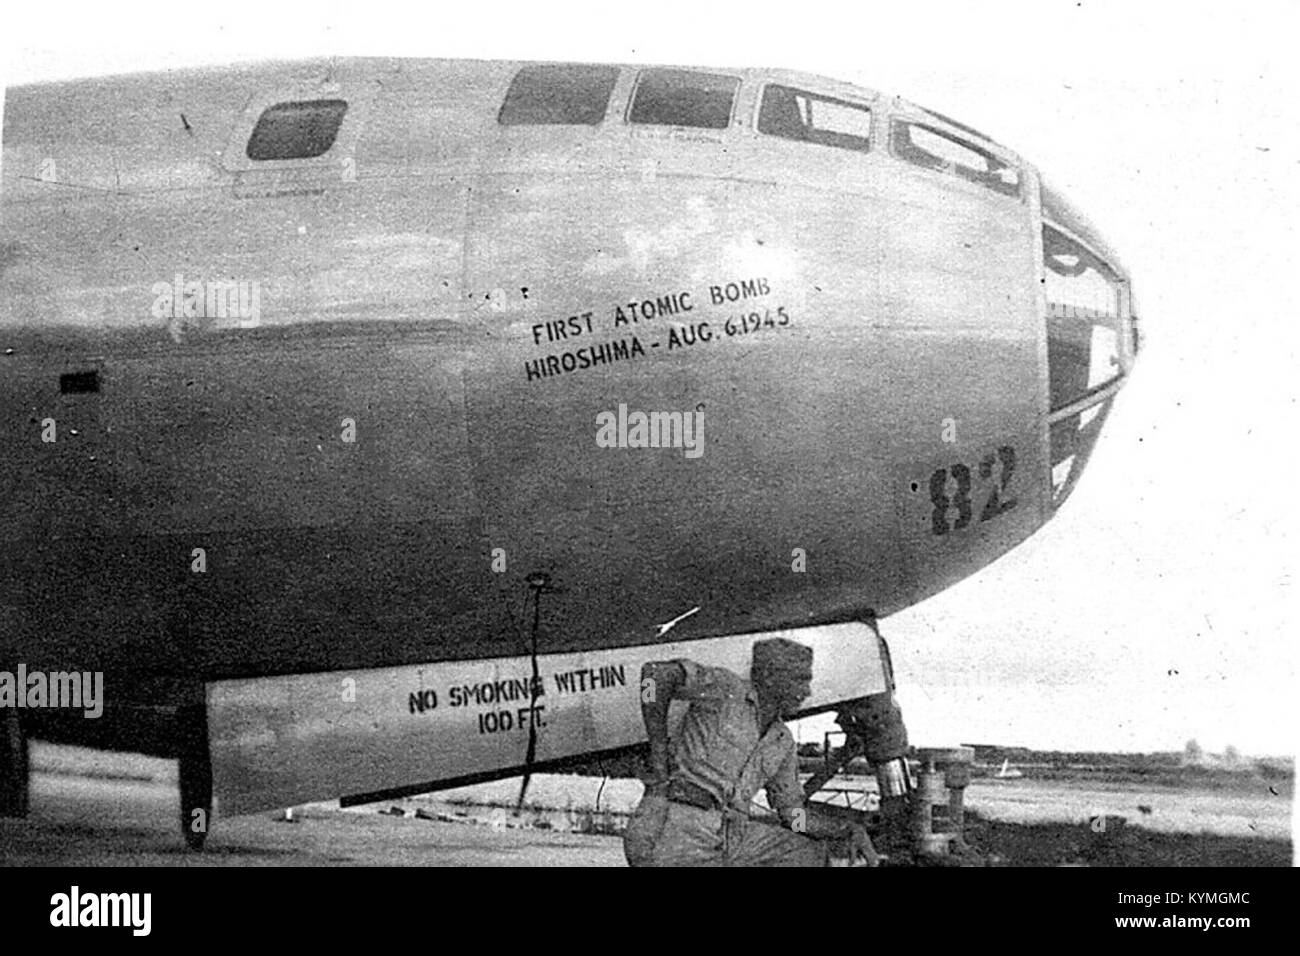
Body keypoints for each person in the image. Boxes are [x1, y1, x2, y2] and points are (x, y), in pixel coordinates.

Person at [624, 637, 876, 867]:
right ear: (768, 677)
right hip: (677, 826)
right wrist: (658, 752)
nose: (807, 691)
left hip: (731, 837)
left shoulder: (782, 740)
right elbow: (653, 675)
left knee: (808, 855)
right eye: (800, 680)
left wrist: (844, 829)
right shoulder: (725, 690)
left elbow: (793, 816)